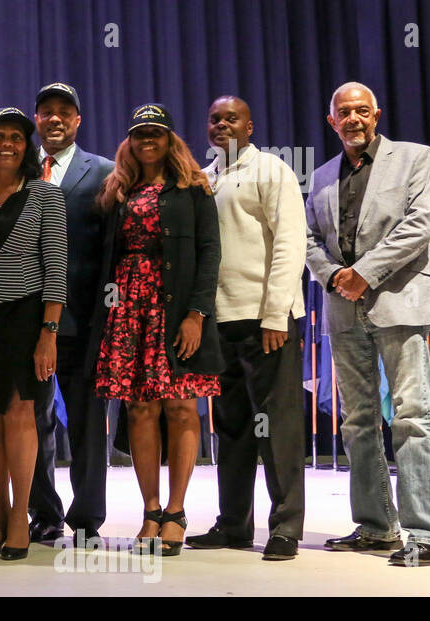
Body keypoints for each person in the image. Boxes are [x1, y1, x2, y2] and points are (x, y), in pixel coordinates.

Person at [305, 82, 430, 566]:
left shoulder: (415, 157)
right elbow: (307, 238)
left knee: (411, 416)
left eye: (361, 111)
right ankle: (376, 528)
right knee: (357, 422)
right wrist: (334, 277)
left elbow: (421, 223)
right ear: (332, 121)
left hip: (400, 302)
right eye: (344, 112)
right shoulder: (323, 174)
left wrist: (364, 273)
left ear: (377, 114)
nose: (353, 119)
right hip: (343, 309)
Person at [91, 103, 222, 557]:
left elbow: (210, 254)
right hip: (129, 308)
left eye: (157, 133)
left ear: (170, 139)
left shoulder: (194, 188)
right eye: (140, 133)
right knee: (140, 410)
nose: (148, 140)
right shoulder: (117, 188)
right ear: (130, 140)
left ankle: (177, 510)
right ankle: (150, 510)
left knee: (182, 408)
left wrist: (197, 314)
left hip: (177, 308)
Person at [185, 95, 307, 561]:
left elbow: (290, 243)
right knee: (233, 427)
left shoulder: (272, 171)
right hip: (220, 320)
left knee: (279, 427)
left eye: (231, 118)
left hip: (266, 321)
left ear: (249, 126)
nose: (221, 125)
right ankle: (234, 524)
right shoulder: (205, 176)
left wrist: (276, 313)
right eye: (214, 118)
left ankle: (285, 527)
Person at [0, 107, 67, 560]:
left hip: (25, 318)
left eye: (17, 137)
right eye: (0, 136)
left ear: (28, 146)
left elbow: (57, 269)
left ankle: (21, 517)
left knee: (21, 415)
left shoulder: (45, 196)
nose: (8, 143)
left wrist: (49, 332)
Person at [26, 82, 116, 544]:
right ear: (36, 119)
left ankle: (86, 517)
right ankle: (43, 513)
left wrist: (107, 316)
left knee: (85, 424)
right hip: (25, 322)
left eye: (65, 112)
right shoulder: (19, 170)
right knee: (33, 422)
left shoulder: (102, 171)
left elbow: (110, 252)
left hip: (82, 322)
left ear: (78, 120)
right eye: (47, 112)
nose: (55, 119)